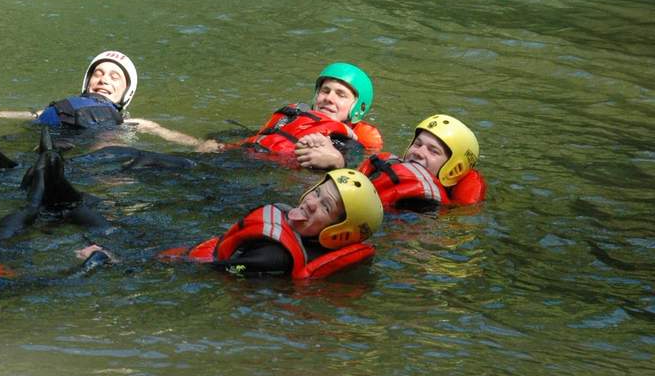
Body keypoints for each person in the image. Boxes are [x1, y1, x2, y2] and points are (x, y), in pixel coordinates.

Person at [129, 62, 383, 171]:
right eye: (325, 90)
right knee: (138, 162)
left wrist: (337, 162)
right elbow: (240, 145)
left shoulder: (347, 142)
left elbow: (358, 172)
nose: (329, 97)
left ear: (357, 108)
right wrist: (157, 130)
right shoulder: (289, 118)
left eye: (340, 94)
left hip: (256, 178)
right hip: (234, 160)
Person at [162, 168, 384, 279]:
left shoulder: (276, 257)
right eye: (316, 193)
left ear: (340, 233)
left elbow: (217, 271)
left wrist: (169, 262)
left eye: (326, 207)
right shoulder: (294, 235)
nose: (311, 203)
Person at [0, 51, 139, 130]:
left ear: (127, 93)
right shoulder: (57, 108)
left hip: (87, 147)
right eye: (98, 74)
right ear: (87, 82)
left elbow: (165, 134)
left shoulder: (127, 122)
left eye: (114, 77)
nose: (104, 79)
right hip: (46, 134)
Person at [361, 114, 486, 210]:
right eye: (417, 144)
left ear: (454, 169)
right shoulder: (381, 167)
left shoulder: (441, 211)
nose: (419, 152)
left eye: (433, 151)